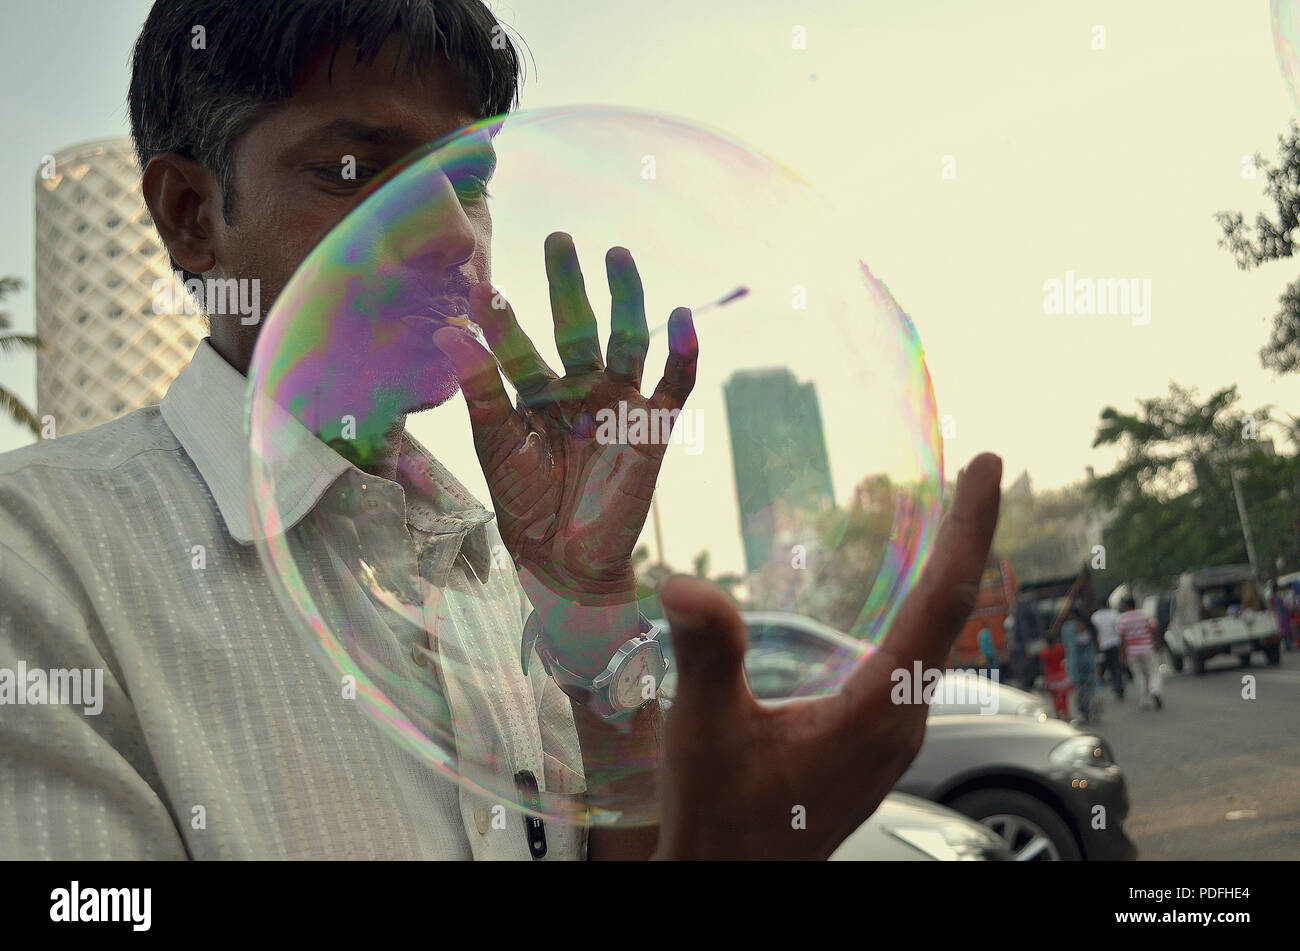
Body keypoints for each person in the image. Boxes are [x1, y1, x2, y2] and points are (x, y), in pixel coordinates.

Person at [0, 0, 1004, 861]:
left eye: (469, 182)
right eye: (354, 171)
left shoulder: (489, 565)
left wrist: (593, 619)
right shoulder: (37, 563)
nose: (449, 234)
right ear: (190, 215)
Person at [1118, 595, 1162, 710]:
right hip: (1147, 648)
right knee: (1153, 671)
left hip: (1132, 651)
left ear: (1125, 606)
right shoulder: (1145, 615)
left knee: (1138, 675)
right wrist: (1157, 643)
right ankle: (1155, 690)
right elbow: (1153, 628)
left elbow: (1122, 638)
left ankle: (1144, 700)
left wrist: (1122, 654)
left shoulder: (1122, 619)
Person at [1063, 607, 1100, 724]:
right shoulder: (1069, 629)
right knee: (1081, 691)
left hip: (1088, 662)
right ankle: (1085, 713)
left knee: (1092, 689)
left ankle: (1094, 713)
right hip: (1078, 664)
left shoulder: (1087, 627)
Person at [1091, 600, 1124, 700]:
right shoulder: (1114, 614)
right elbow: (1119, 629)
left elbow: (1095, 632)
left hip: (1103, 645)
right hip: (1115, 643)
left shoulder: (1095, 617)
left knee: (1106, 667)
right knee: (1116, 667)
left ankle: (1110, 685)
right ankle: (1119, 686)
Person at [1039, 633, 1072, 720]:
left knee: (1054, 698)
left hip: (1051, 678)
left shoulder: (1046, 652)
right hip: (1062, 676)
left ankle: (1058, 712)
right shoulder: (1060, 649)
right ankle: (1066, 713)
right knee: (1064, 697)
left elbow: (1041, 655)